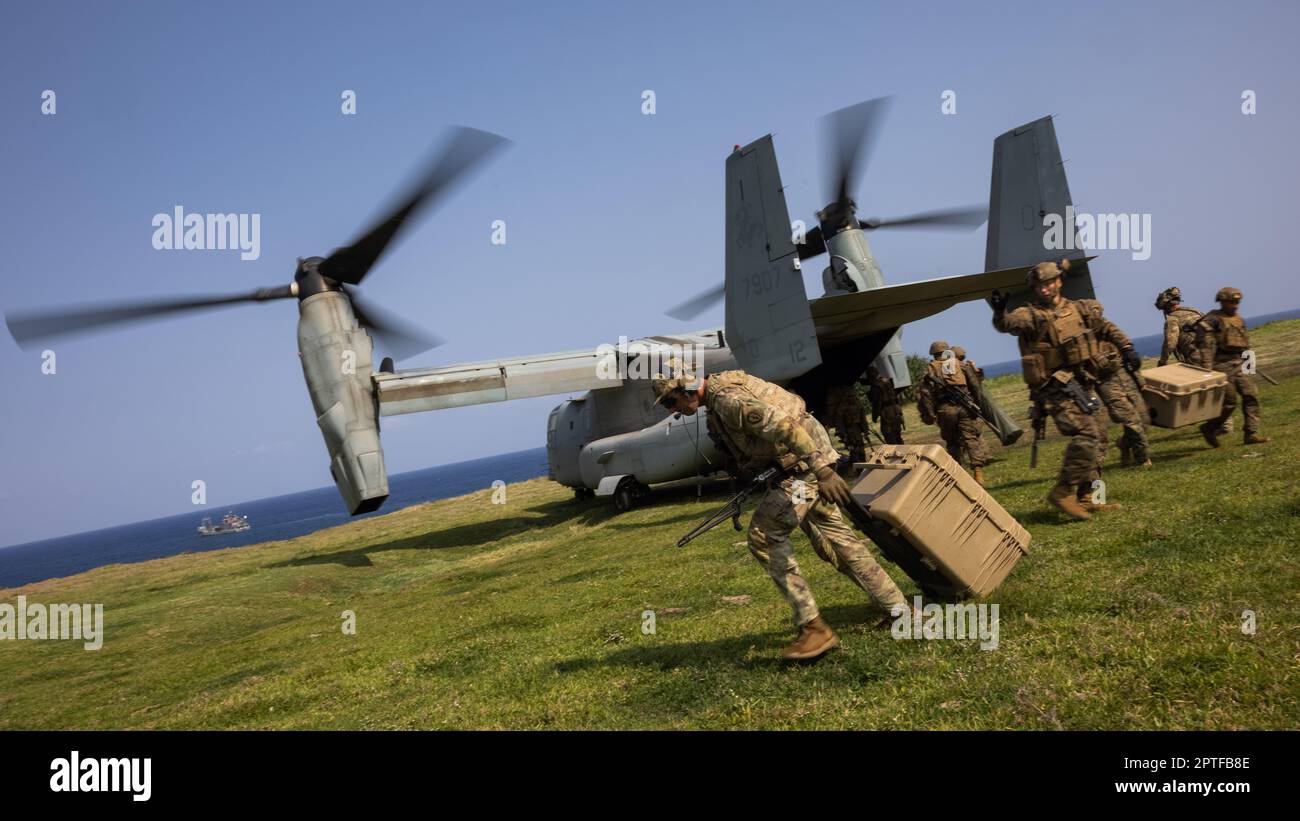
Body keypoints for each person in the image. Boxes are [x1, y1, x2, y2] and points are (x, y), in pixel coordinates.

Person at [651, 361, 910, 662]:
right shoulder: (717, 401)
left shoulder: (728, 400)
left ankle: (814, 628)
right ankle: (900, 610)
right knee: (836, 540)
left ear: (687, 386)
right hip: (801, 466)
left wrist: (822, 472)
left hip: (806, 469)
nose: (672, 409)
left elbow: (786, 426)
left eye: (672, 400)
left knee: (763, 535)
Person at [990, 258, 1139, 520]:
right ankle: (1062, 491)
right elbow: (1007, 325)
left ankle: (1087, 496)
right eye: (1039, 286)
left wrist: (1127, 347)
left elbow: (1106, 327)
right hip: (1055, 388)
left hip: (1082, 383)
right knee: (1087, 434)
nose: (1044, 290)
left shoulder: (1080, 309)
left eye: (1048, 283)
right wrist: (1000, 313)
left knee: (1100, 437)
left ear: (1059, 282)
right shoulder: (1032, 316)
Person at [1192, 287, 1270, 447]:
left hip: (1240, 363)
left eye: (1237, 302)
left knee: (1251, 396)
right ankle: (1209, 428)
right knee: (1229, 402)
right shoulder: (1212, 320)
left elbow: (1245, 344)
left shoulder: (1238, 319)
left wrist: (1249, 364)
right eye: (1231, 302)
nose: (1234, 305)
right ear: (1222, 302)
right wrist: (1208, 373)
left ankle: (1251, 433)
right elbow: (1206, 348)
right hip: (1220, 366)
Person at [916, 340, 988, 486]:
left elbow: (926, 394)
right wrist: (977, 405)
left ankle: (959, 474)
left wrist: (930, 414)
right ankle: (978, 474)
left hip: (945, 409)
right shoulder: (960, 365)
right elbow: (975, 385)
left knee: (952, 442)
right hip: (965, 407)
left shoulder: (930, 369)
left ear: (933, 354)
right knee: (970, 439)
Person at [1154, 287, 1203, 367]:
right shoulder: (1195, 311)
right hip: (1212, 353)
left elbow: (1170, 344)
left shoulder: (1172, 319)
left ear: (1166, 307)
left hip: (1197, 359)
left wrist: (1162, 362)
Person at [824, 383, 868, 464]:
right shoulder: (851, 405)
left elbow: (862, 418)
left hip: (853, 429)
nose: (852, 397)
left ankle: (860, 465)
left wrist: (865, 429)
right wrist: (865, 429)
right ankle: (859, 465)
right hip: (851, 430)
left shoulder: (845, 406)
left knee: (857, 447)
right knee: (855, 448)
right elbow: (840, 422)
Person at [865, 365, 905, 444]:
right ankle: (903, 450)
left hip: (887, 412)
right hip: (896, 410)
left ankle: (894, 452)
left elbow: (876, 403)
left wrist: (874, 416)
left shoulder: (875, 386)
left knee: (888, 433)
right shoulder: (888, 381)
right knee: (897, 433)